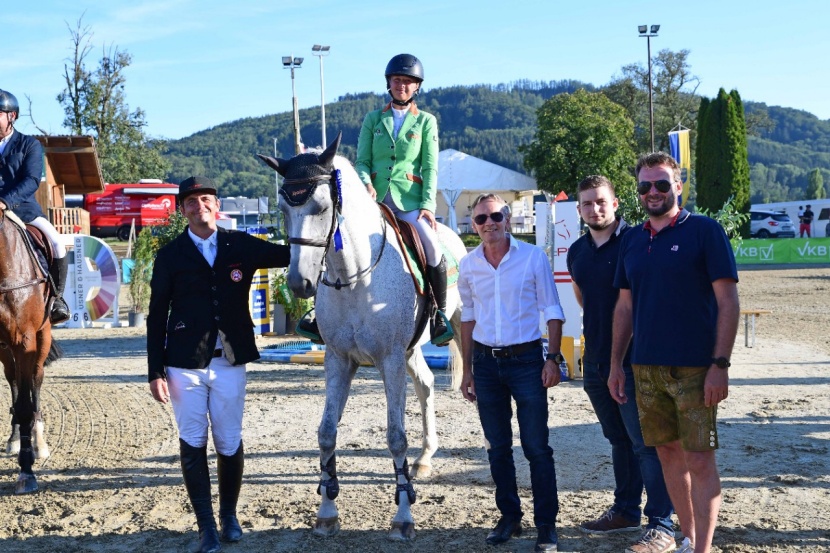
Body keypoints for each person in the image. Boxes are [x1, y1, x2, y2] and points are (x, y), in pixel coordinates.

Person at [147, 176, 290, 553]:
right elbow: (156, 314)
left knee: (228, 440)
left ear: (217, 204)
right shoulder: (170, 255)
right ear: (183, 210)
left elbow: (288, 254)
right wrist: (155, 370)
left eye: (206, 199)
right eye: (191, 202)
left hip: (230, 359)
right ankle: (205, 526)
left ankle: (228, 515)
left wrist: (322, 221)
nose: (200, 206)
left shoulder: (239, 244)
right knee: (193, 441)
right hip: (183, 364)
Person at [610, 152, 740, 553]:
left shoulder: (705, 231)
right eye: (646, 185)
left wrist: (720, 365)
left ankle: (703, 549)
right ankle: (689, 539)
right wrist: (616, 363)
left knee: (699, 459)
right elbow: (625, 306)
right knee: (668, 455)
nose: (653, 192)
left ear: (678, 186)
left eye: (662, 184)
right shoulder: (631, 239)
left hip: (696, 368)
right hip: (645, 368)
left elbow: (729, 302)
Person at [298, 53, 451, 346]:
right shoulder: (373, 119)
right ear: (389, 84)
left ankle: (438, 314)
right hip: (373, 201)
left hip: (409, 202)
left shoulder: (427, 122)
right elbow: (363, 161)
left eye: (407, 82)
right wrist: (366, 183)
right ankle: (318, 313)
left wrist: (427, 206)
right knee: (333, 240)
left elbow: (430, 167)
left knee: (431, 246)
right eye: (397, 80)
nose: (401, 86)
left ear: (416, 86)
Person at [567, 175, 675, 553]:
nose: (594, 208)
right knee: (618, 440)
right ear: (579, 210)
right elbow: (584, 300)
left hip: (635, 360)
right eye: (586, 203)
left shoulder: (636, 240)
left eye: (600, 201)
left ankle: (661, 525)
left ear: (615, 203)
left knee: (646, 444)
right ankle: (626, 511)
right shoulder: (577, 251)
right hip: (595, 359)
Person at [459, 193, 565, 552]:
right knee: (497, 448)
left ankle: (546, 525)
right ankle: (509, 516)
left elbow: (552, 308)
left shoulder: (533, 257)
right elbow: (469, 317)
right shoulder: (468, 264)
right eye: (481, 218)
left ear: (507, 218)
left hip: (527, 362)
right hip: (486, 365)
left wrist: (553, 357)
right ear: (473, 225)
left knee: (537, 447)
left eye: (496, 215)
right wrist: (468, 370)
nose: (489, 223)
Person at [0, 89, 70, 324]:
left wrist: (4, 201)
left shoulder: (29, 144)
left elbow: (30, 180)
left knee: (57, 243)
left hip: (22, 210)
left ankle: (57, 299)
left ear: (12, 116)